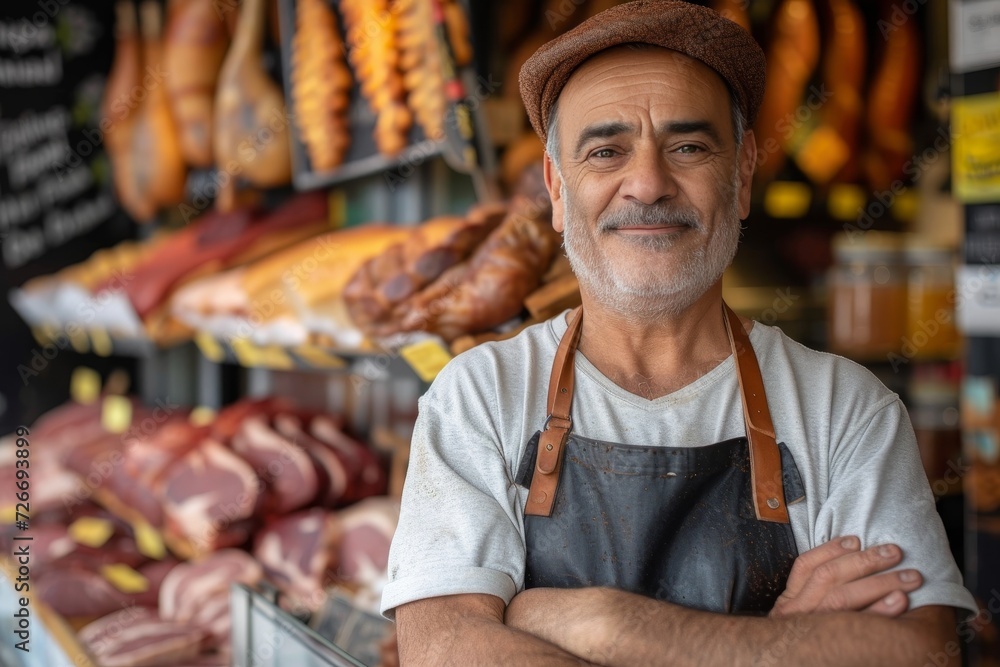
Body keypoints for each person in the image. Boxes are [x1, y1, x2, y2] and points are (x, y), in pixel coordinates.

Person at [381, 1, 978, 664]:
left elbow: (923, 652)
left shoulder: (845, 408)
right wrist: (783, 640)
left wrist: (604, 625)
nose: (647, 183)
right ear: (556, 188)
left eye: (688, 147)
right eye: (606, 151)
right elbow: (442, 649)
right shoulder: (480, 396)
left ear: (743, 172)